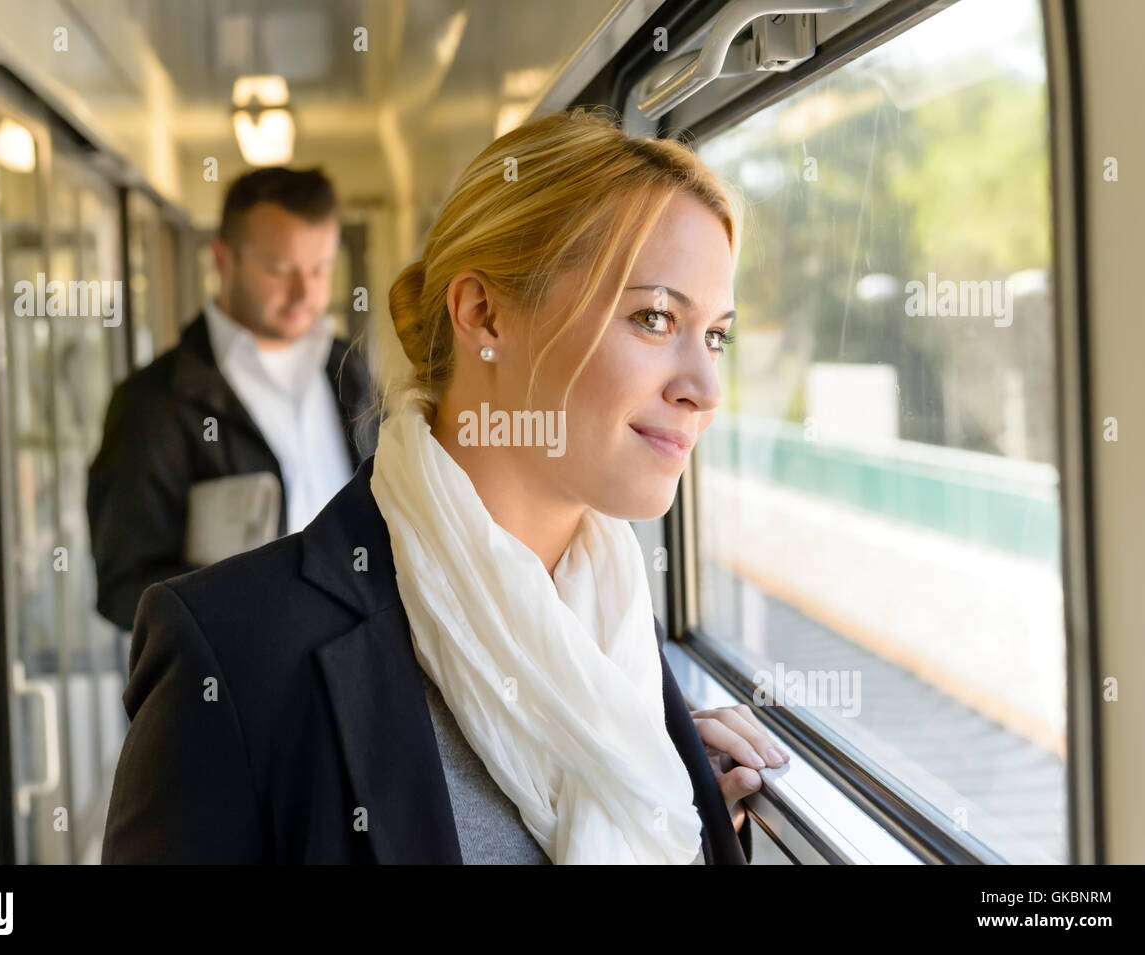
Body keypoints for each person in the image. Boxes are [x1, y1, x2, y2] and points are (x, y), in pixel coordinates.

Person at [102, 109, 788, 864]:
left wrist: (674, 811)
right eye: (654, 317)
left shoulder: (618, 651)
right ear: (483, 314)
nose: (706, 388)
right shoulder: (233, 654)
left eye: (715, 335)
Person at [87, 167, 377, 632]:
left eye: (320, 269)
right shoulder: (154, 403)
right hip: (242, 674)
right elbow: (124, 588)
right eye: (279, 269)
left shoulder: (351, 373)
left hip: (361, 662)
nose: (304, 292)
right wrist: (258, 610)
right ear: (222, 260)